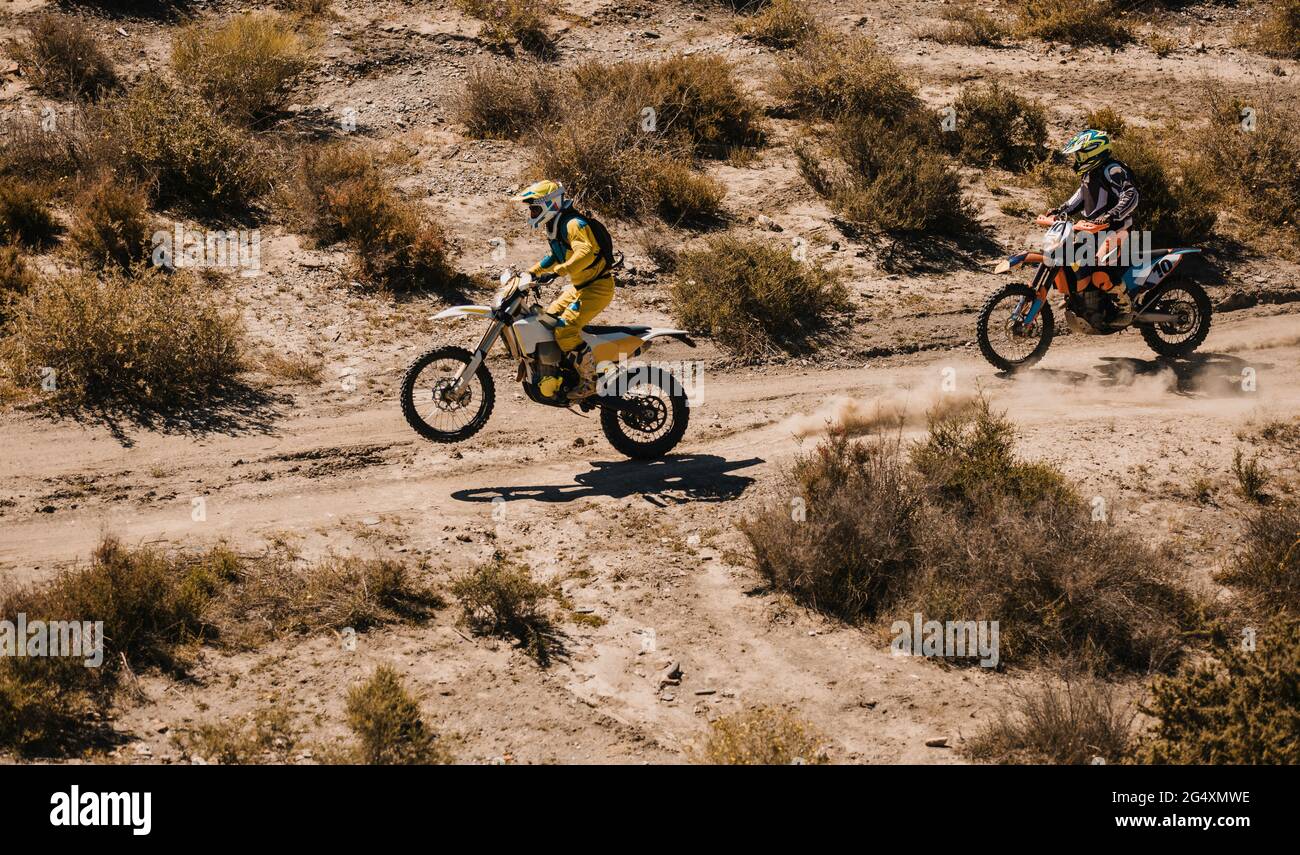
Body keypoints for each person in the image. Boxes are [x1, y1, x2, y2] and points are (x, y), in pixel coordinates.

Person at [510, 180, 616, 399]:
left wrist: (559, 272)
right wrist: (530, 273)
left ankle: (591, 381)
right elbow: (554, 256)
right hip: (579, 287)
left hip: (597, 287)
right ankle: (562, 372)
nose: (532, 212)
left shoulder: (574, 224)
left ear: (551, 204)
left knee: (564, 330)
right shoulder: (556, 225)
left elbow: (585, 252)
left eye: (535, 208)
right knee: (545, 321)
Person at [1049, 129, 1141, 323]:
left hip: (1117, 230)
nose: (1077, 158)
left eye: (1080, 154)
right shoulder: (1090, 173)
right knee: (1070, 260)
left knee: (1100, 270)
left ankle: (1125, 304)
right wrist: (1060, 210)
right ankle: (1081, 299)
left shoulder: (1113, 169)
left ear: (1094, 151)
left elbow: (1131, 195)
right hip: (1091, 232)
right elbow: (1080, 197)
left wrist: (1110, 216)